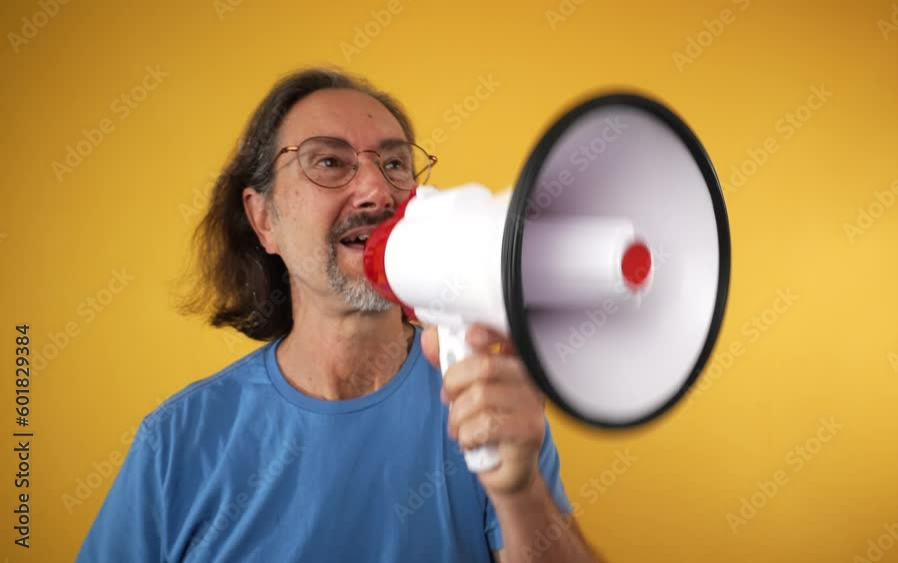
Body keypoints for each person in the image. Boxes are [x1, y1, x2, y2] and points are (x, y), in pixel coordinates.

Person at [76, 67, 600, 562]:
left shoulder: (481, 398)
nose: (377, 190)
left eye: (394, 164)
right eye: (329, 161)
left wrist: (520, 489)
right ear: (264, 220)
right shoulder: (177, 442)